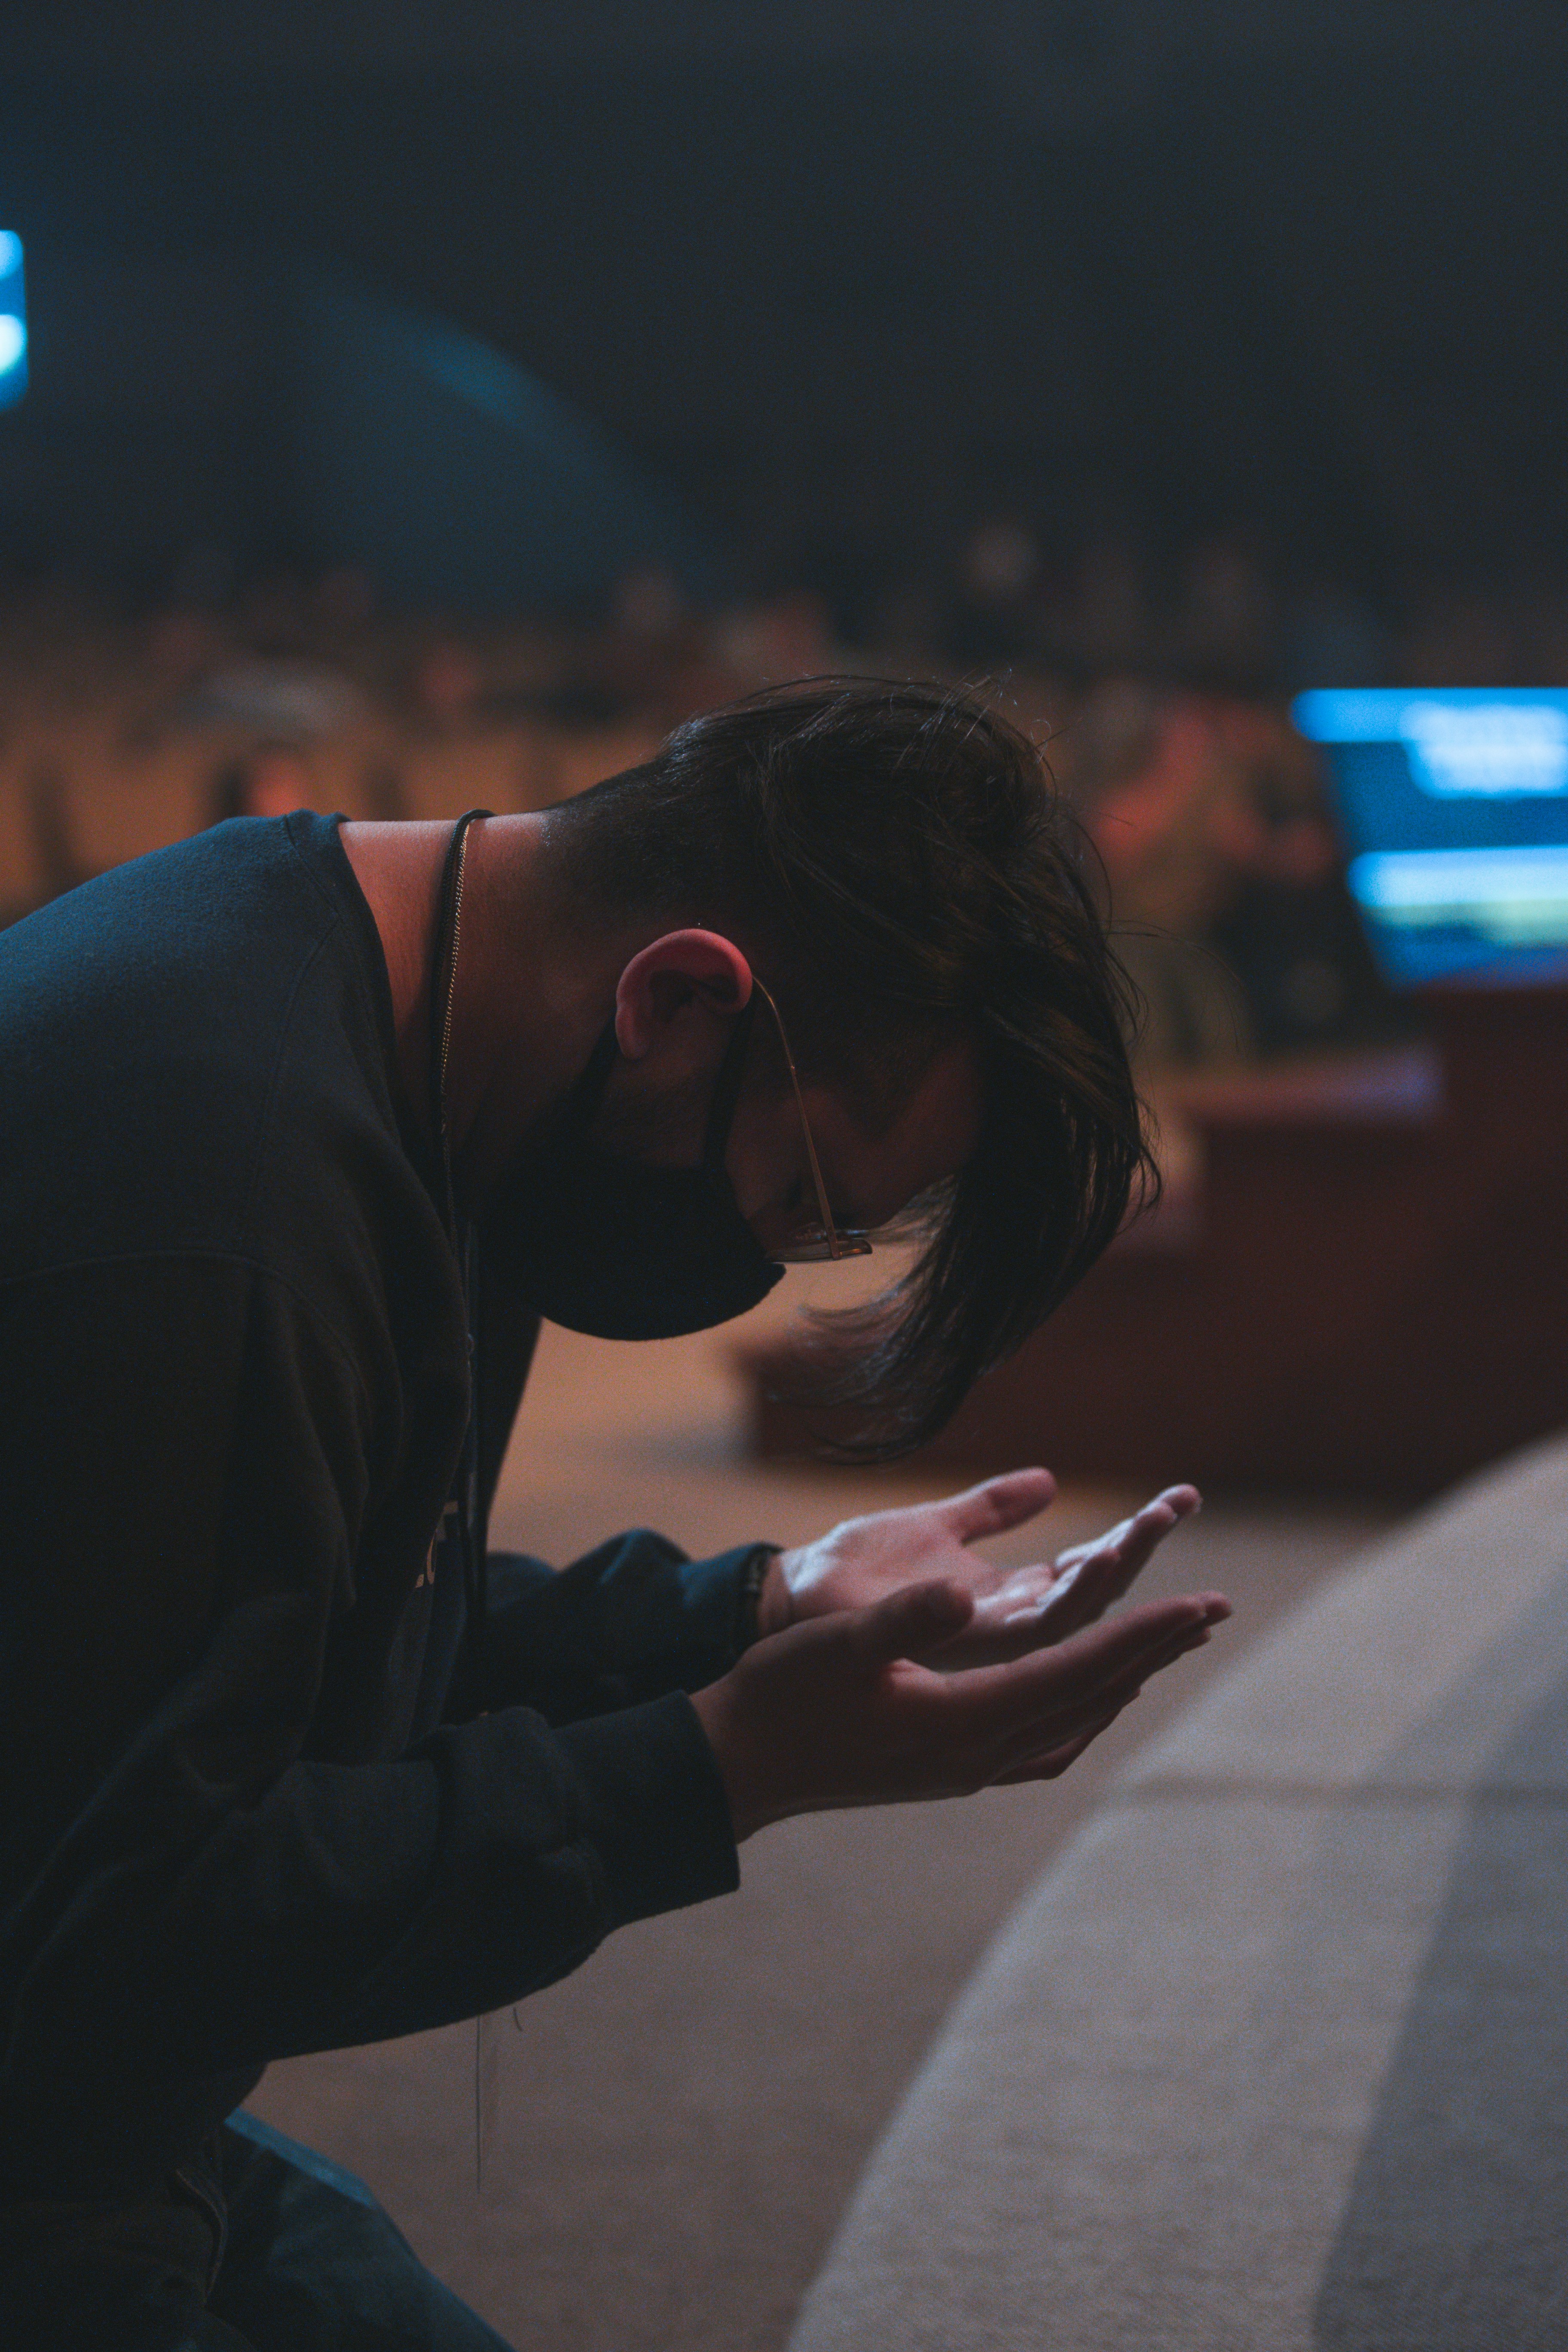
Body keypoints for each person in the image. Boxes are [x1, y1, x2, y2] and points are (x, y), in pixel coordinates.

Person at [0, 679, 1228, 2349]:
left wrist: (757, 1606)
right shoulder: (219, 1199)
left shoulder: (442, 1046)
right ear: (679, 996)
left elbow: (326, 1631)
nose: (766, 1260)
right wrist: (732, 1763)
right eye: (802, 1194)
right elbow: (123, 1924)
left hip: (101, 2118)